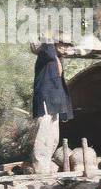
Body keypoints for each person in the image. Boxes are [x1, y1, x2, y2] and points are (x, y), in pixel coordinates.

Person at [29, 40, 73, 174]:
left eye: (67, 46)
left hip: (55, 102)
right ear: (55, 44)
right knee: (42, 135)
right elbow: (46, 44)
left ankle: (46, 167)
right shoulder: (47, 54)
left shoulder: (57, 58)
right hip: (46, 100)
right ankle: (40, 170)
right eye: (63, 45)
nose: (65, 48)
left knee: (53, 137)